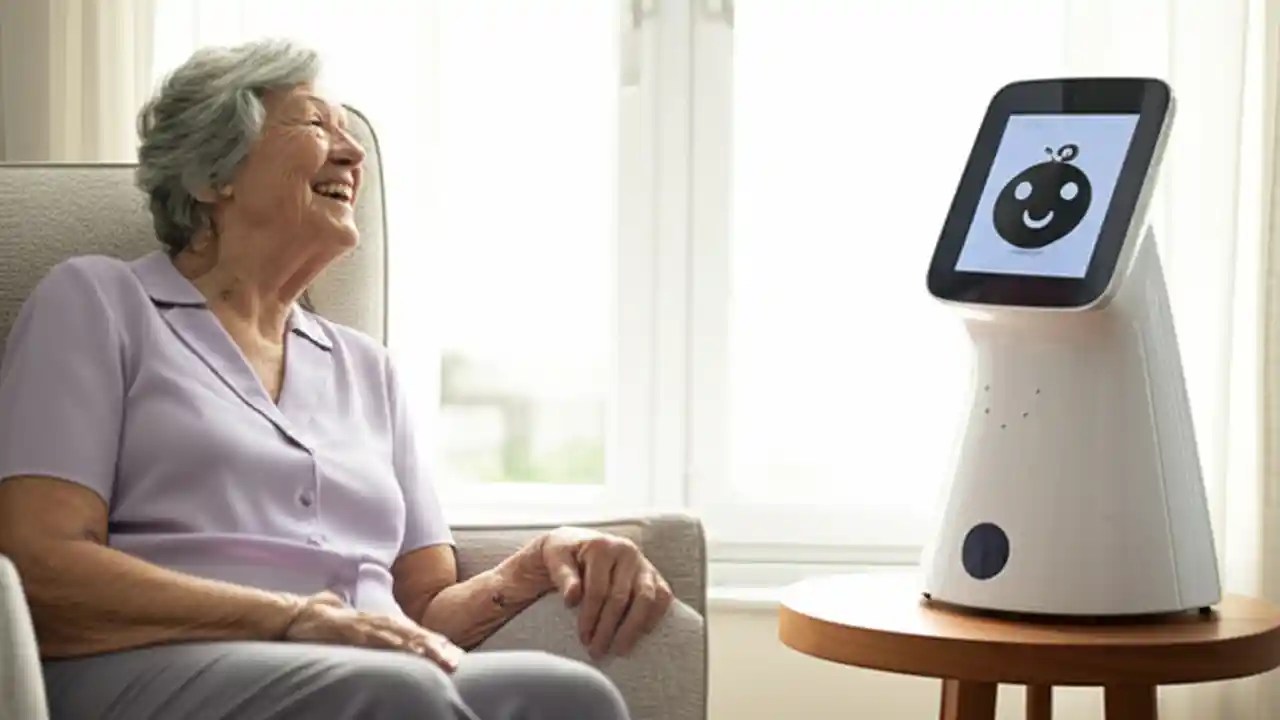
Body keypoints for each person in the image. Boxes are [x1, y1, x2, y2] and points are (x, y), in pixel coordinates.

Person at [0, 39, 678, 720]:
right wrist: (294, 618)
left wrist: (539, 557)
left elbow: (423, 612)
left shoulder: (368, 370)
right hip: (147, 663)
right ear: (213, 175)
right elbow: (39, 561)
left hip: (357, 673)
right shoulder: (97, 303)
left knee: (567, 698)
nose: (353, 156)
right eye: (316, 124)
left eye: (349, 135)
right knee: (394, 691)